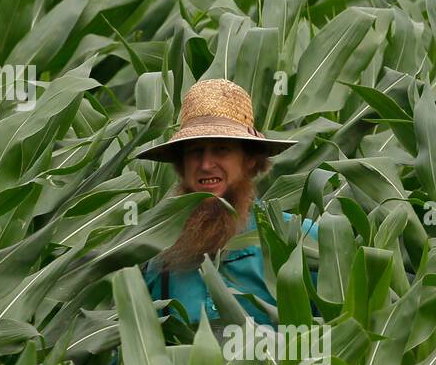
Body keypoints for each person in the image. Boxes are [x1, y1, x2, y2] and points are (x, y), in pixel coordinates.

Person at [134, 78, 317, 327]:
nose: (206, 164)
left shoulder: (301, 243)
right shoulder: (160, 262)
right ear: (181, 165)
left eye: (221, 149)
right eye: (195, 151)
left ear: (250, 160)